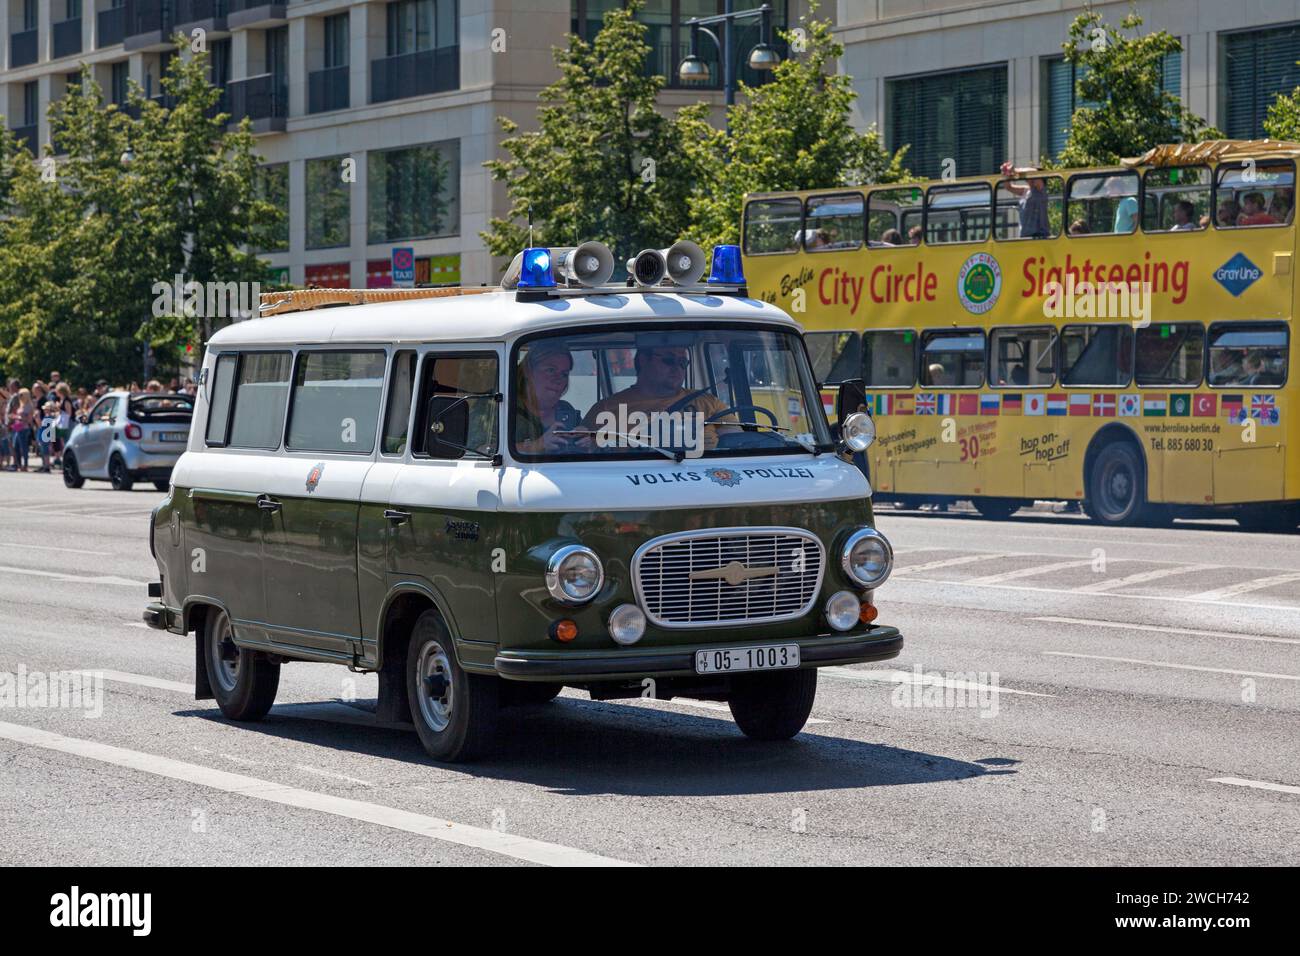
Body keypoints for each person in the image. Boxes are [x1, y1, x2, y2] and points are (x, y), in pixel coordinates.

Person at [581, 336, 734, 452]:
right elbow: (582, 449)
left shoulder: (709, 403)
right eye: (669, 360)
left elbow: (737, 442)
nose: (677, 368)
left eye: (683, 363)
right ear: (643, 360)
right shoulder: (606, 410)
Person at [515, 341, 586, 454]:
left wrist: (588, 444)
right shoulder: (504, 408)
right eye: (551, 370)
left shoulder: (566, 410)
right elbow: (486, 449)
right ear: (529, 371)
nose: (558, 379)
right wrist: (538, 445)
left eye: (564, 374)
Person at [1001, 162, 1050, 238]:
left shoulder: (1041, 190)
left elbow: (1034, 172)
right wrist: (1006, 173)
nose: (1029, 178)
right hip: (1025, 236)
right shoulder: (1026, 190)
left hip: (1040, 236)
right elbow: (1008, 187)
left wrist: (1014, 170)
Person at [8, 388, 34, 472]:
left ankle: (25, 465)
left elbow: (29, 419)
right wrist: (15, 417)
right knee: (16, 446)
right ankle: (19, 465)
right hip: (17, 428)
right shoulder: (21, 405)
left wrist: (18, 417)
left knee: (24, 447)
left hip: (24, 428)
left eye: (21, 395)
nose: (20, 396)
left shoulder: (29, 406)